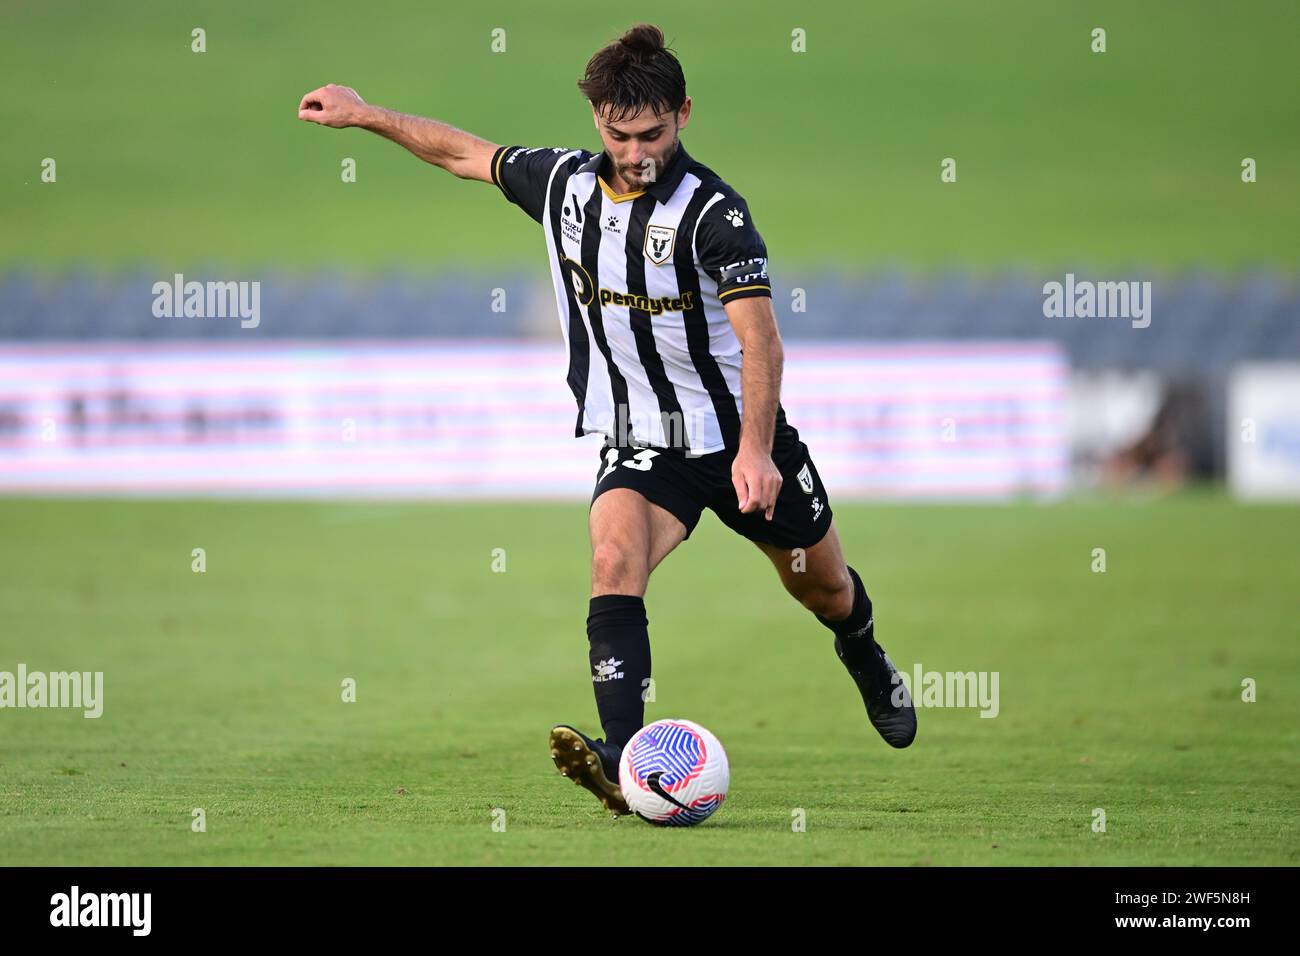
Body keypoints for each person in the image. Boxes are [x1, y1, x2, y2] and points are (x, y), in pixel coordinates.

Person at [297, 23, 915, 817]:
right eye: (620, 135)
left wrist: (757, 450)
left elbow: (761, 339)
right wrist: (364, 112)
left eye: (652, 133)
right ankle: (625, 760)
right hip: (642, 441)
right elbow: (464, 153)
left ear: (684, 113)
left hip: (736, 442)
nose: (637, 152)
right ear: (598, 121)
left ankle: (865, 656)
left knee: (825, 590)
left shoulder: (714, 214)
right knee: (612, 560)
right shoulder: (564, 188)